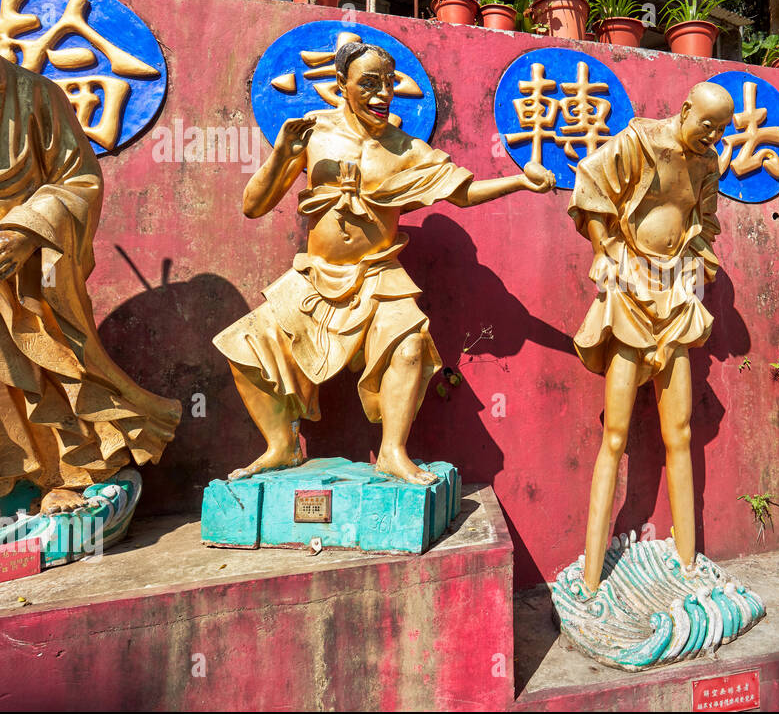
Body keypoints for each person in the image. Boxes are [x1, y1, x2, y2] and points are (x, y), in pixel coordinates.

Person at [215, 42, 554, 484]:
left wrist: (520, 182)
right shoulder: (313, 133)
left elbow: (463, 192)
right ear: (342, 86)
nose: (380, 95)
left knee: (410, 345)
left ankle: (393, 452)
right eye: (368, 84)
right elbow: (253, 206)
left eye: (388, 85)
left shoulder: (405, 149)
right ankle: (281, 446)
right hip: (316, 277)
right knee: (245, 345)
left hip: (378, 274)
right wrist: (282, 153)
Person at [568, 81, 733, 593]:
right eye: (705, 123)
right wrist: (602, 247)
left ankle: (688, 565)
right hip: (630, 291)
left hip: (677, 294)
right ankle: (593, 576)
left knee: (678, 435)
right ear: (683, 109)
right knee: (614, 439)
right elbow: (591, 184)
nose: (712, 135)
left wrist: (701, 253)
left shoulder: (708, 164)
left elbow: (703, 223)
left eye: (722, 128)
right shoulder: (638, 141)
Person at [0, 56, 179, 512]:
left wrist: (24, 232)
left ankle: (64, 475)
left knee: (48, 363)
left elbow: (78, 179)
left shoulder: (37, 95)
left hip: (29, 271)